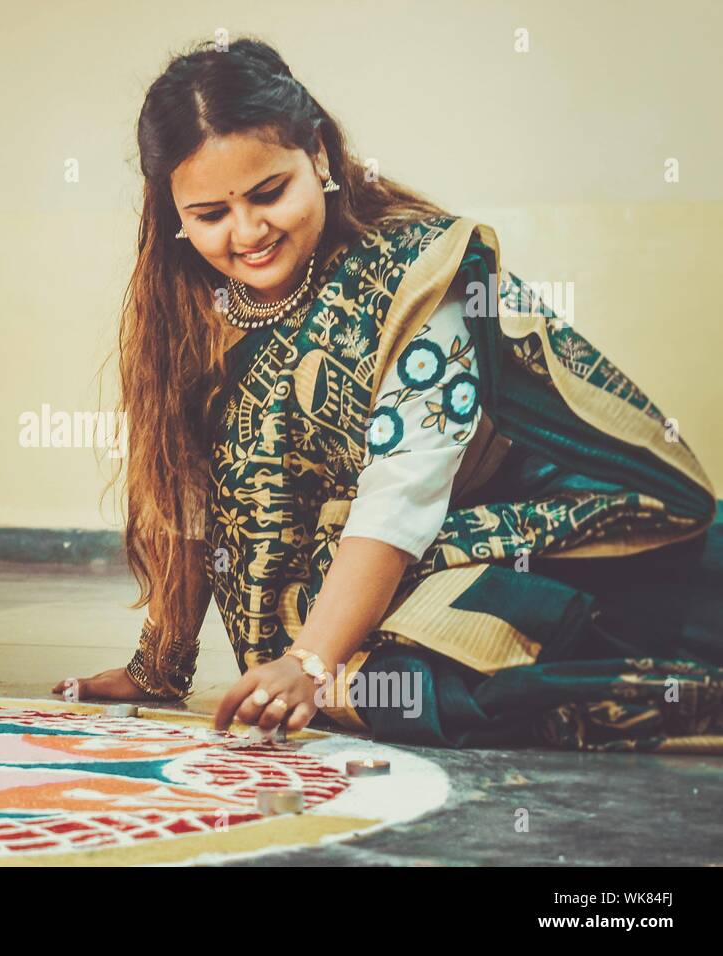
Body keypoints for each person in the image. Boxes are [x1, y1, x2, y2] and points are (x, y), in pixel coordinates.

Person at [51, 36, 723, 753]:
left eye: (270, 194)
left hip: (490, 543)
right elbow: (189, 502)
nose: (248, 232)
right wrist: (157, 668)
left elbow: (403, 491)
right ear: (175, 213)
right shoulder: (187, 310)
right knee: (368, 688)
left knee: (421, 686)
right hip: (337, 593)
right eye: (211, 214)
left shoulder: (415, 277)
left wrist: (311, 663)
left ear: (318, 155)